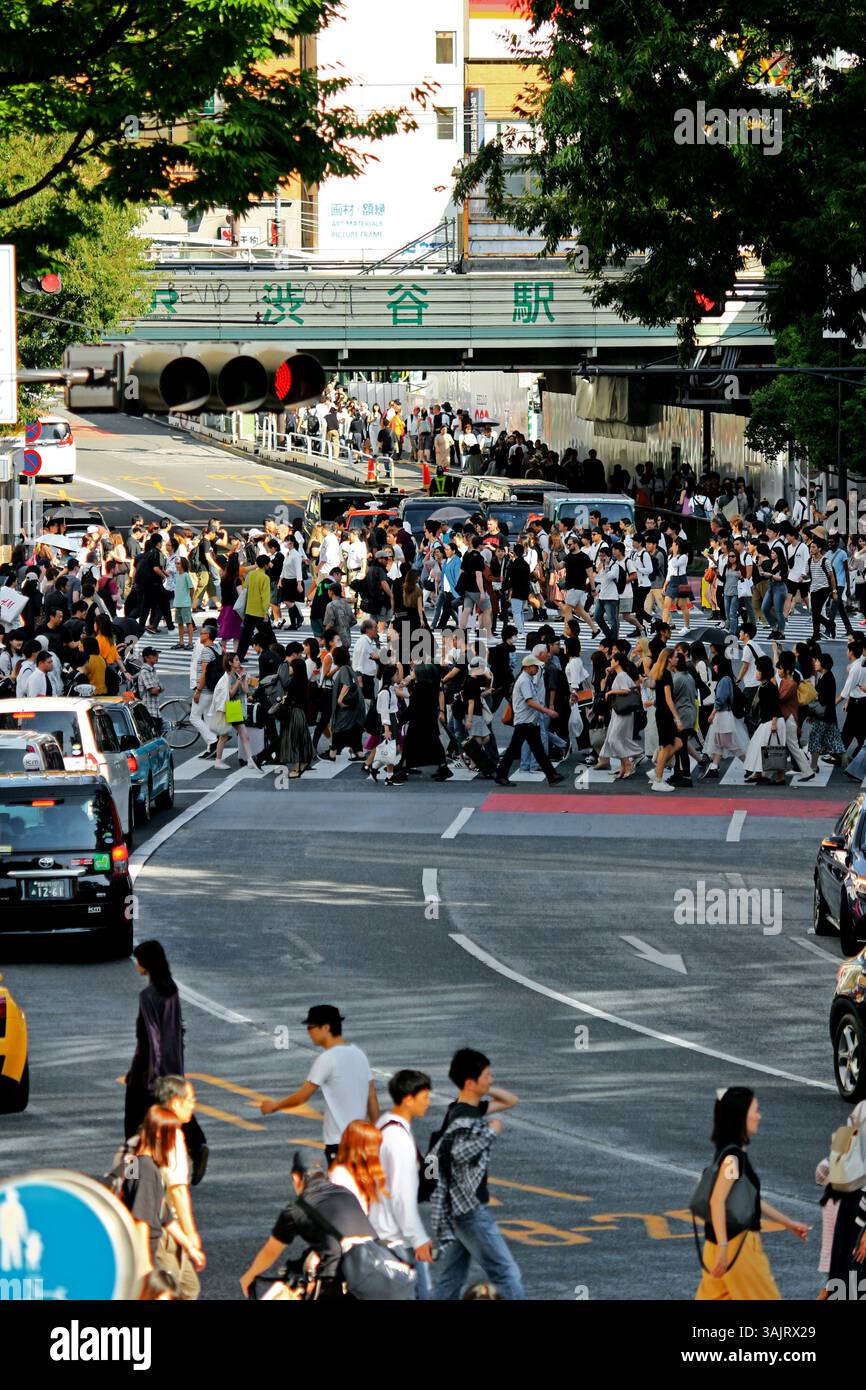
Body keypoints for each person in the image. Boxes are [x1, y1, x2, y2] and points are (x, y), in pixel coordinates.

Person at [695, 1087, 810, 1300]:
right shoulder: (734, 1158)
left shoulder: (726, 1152)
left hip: (715, 1248)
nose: (759, 1116)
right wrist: (724, 1246)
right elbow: (717, 1200)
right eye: (755, 1110)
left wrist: (788, 1223)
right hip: (738, 1247)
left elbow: (750, 1200)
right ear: (740, 1116)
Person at [429, 1048, 525, 1301]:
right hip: (469, 1210)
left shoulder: (462, 1109)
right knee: (506, 1272)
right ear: (470, 1082)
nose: (491, 1079)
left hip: (456, 1209)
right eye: (487, 1075)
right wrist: (491, 1132)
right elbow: (460, 1153)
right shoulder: (465, 1119)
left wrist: (483, 1088)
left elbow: (510, 1100)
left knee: (452, 1275)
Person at [239, 1150, 378, 1301]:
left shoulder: (296, 1209)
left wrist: (248, 1277)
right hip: (374, 1267)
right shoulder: (346, 1193)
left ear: (295, 1177)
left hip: (337, 1281)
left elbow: (269, 1253)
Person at [260, 1005, 379, 1164]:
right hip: (362, 1141)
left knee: (340, 1188)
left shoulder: (327, 1059)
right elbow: (371, 1097)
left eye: (311, 1027)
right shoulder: (359, 1054)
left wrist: (274, 1106)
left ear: (326, 1027)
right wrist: (376, 1134)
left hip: (339, 1143)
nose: (308, 1032)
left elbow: (302, 1097)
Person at [126, 1106, 205, 1297]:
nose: (173, 1146)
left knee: (189, 1288)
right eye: (172, 1138)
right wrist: (145, 1273)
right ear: (160, 1137)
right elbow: (140, 1223)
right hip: (148, 1255)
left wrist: (188, 1246)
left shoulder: (133, 1160)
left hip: (145, 1254)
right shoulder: (146, 1171)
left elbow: (162, 1212)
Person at [373, 1070, 433, 1295]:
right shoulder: (398, 1140)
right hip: (394, 1238)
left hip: (381, 1231)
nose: (428, 1102)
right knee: (419, 1293)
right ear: (408, 1099)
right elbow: (402, 1196)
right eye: (424, 1096)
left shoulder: (385, 1124)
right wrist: (418, 1239)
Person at [124, 941, 184, 1140]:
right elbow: (176, 1032)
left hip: (148, 1070)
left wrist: (146, 1074)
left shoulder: (148, 996)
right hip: (172, 1065)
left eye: (138, 960)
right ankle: (196, 1144)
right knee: (170, 1113)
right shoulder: (171, 990)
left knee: (132, 1125)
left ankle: (133, 1170)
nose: (136, 964)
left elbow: (151, 1038)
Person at [494, 654, 566, 787]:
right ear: (528, 667)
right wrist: (547, 711)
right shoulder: (524, 681)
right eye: (535, 667)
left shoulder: (527, 679)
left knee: (538, 750)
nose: (537, 669)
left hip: (530, 721)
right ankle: (501, 775)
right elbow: (530, 702)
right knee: (514, 749)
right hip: (524, 721)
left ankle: (552, 775)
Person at [209, 652, 252, 770]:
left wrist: (244, 678)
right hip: (229, 708)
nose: (239, 662)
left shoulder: (237, 674)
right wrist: (238, 681)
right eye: (236, 660)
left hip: (235, 708)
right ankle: (218, 761)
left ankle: (250, 760)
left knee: (244, 735)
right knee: (224, 736)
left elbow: (246, 690)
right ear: (230, 663)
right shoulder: (226, 678)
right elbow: (230, 693)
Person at [236, 554, 274, 661]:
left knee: (245, 636)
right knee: (269, 635)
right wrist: (266, 611)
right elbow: (265, 596)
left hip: (249, 610)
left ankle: (239, 656)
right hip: (260, 612)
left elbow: (245, 589)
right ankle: (276, 654)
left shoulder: (251, 575)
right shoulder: (265, 577)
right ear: (266, 565)